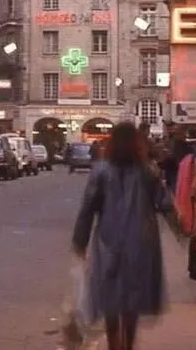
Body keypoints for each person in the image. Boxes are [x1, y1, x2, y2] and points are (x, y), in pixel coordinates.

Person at [71, 120, 168, 350]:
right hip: (141, 242)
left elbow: (88, 207)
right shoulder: (146, 170)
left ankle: (114, 344)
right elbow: (163, 202)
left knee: (111, 297)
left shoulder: (101, 171)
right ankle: (128, 345)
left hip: (108, 240)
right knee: (132, 299)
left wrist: (80, 240)